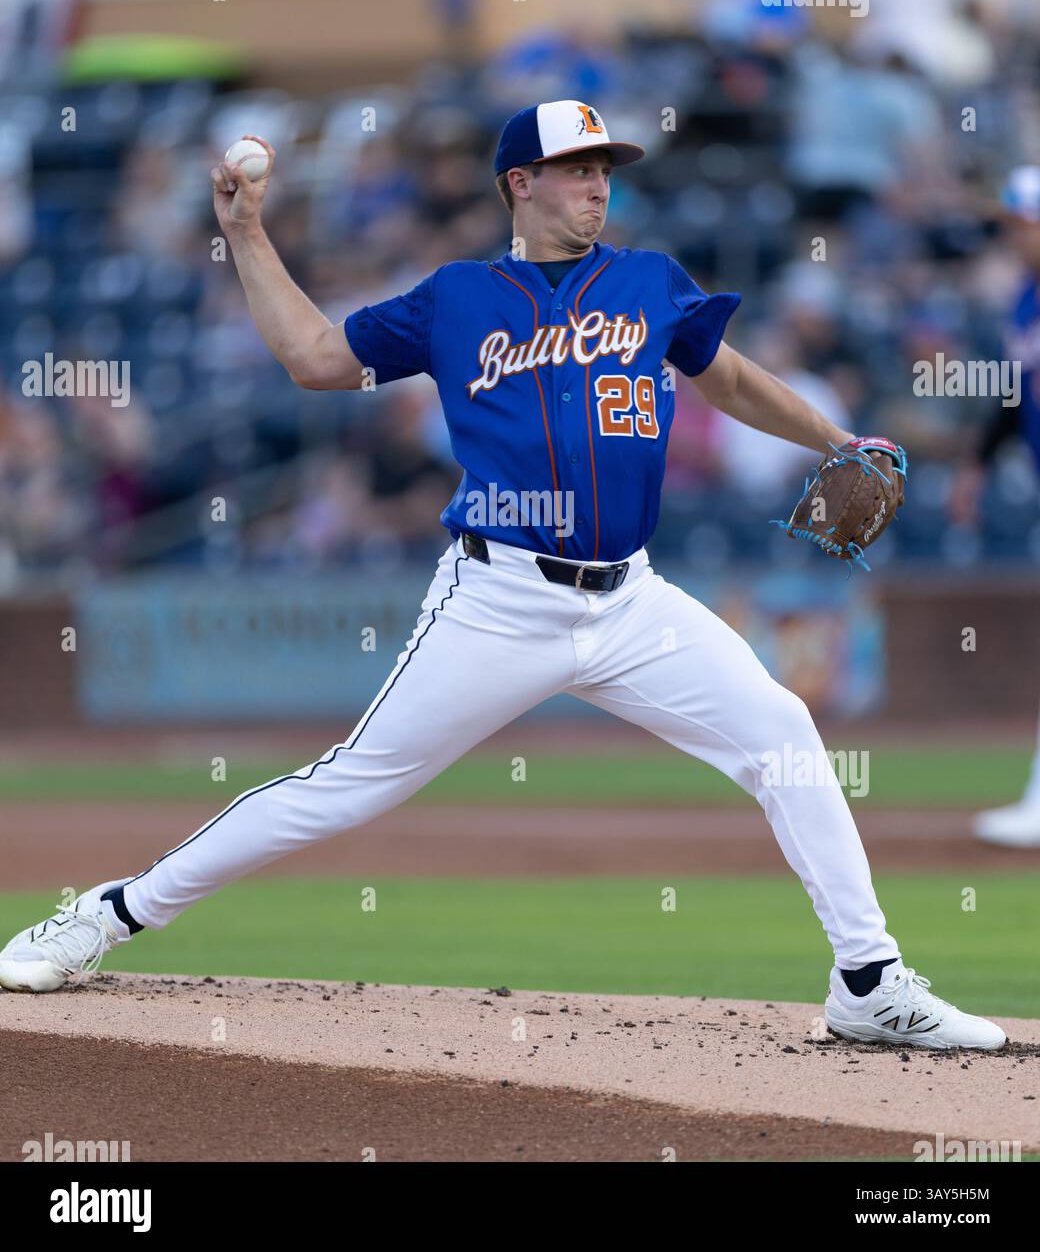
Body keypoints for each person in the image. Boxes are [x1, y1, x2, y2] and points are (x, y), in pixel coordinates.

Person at [0, 100, 1006, 1051]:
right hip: (498, 596)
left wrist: (833, 435)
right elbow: (312, 357)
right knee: (346, 787)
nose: (596, 184)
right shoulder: (457, 299)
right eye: (575, 169)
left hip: (630, 598)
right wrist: (249, 233)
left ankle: (867, 982)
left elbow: (727, 375)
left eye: (604, 167)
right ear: (518, 182)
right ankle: (106, 913)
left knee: (781, 729)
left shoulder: (650, 281)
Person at [950, 166, 1040, 849]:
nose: (1011, 235)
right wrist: (978, 464)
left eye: (1020, 222)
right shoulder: (1024, 300)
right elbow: (1014, 395)